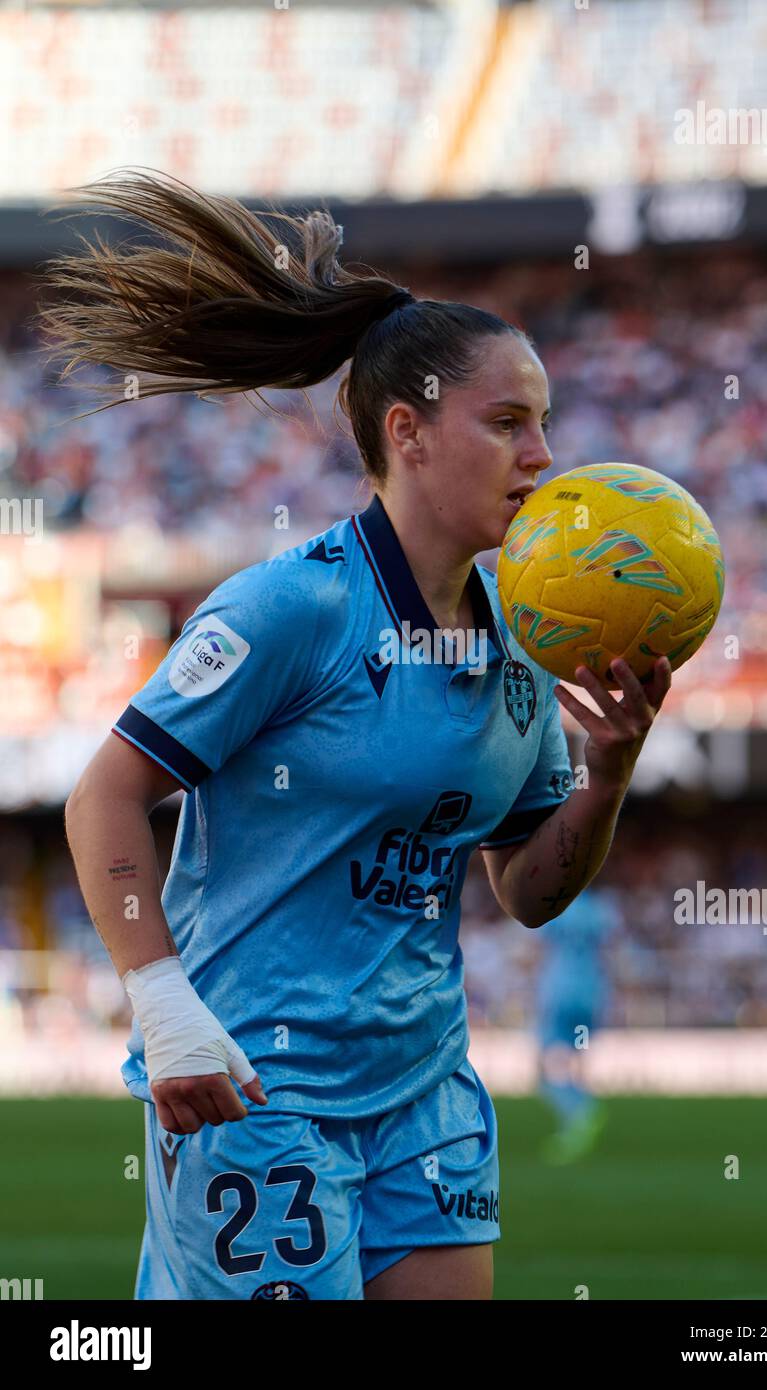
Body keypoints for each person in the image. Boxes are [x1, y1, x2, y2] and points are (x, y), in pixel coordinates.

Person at [47, 170, 671, 1301]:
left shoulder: (525, 644)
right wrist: (163, 1004)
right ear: (408, 432)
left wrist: (607, 772)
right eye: (506, 423)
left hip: (423, 1093)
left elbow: (526, 891)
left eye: (545, 424)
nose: (542, 456)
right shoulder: (291, 610)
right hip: (251, 1086)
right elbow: (102, 797)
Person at [535, 884, 618, 1163]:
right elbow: (611, 950)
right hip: (592, 991)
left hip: (559, 989)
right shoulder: (600, 908)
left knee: (545, 1065)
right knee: (578, 1056)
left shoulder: (555, 903)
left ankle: (580, 1111)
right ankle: (581, 1111)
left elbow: (536, 946)